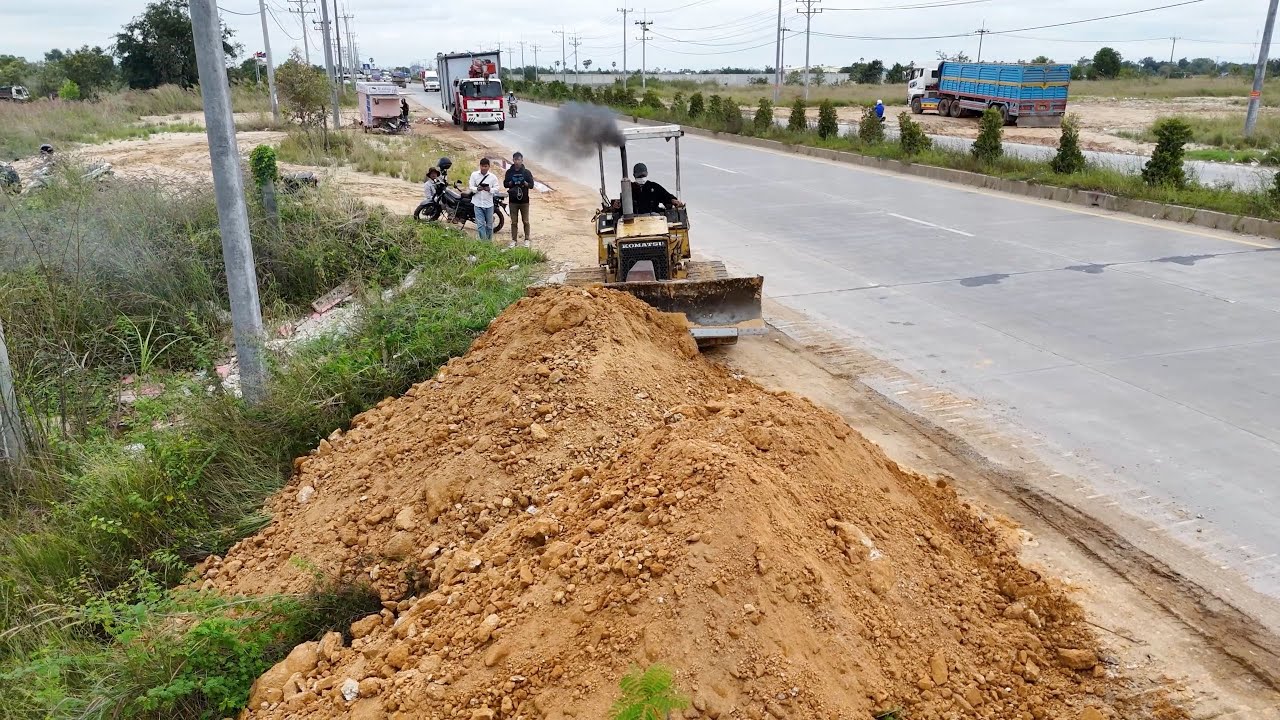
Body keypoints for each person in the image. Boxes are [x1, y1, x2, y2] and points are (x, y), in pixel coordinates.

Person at [504, 151, 534, 247]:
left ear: (522, 160)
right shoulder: (509, 172)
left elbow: (532, 185)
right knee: (514, 222)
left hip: (524, 201)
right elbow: (505, 184)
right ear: (513, 160)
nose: (517, 162)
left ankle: (527, 238)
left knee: (525, 221)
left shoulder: (526, 172)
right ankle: (514, 240)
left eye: (519, 159)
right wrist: (511, 182)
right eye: (515, 159)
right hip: (513, 201)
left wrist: (524, 182)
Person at [468, 157, 499, 241]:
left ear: (489, 166)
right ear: (480, 166)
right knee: (480, 224)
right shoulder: (474, 175)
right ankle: (484, 242)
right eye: (482, 166)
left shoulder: (493, 177)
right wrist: (477, 189)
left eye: (485, 166)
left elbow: (496, 189)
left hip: (489, 204)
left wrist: (489, 189)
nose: (484, 168)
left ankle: (488, 242)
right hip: (477, 203)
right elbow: (471, 187)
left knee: (489, 225)